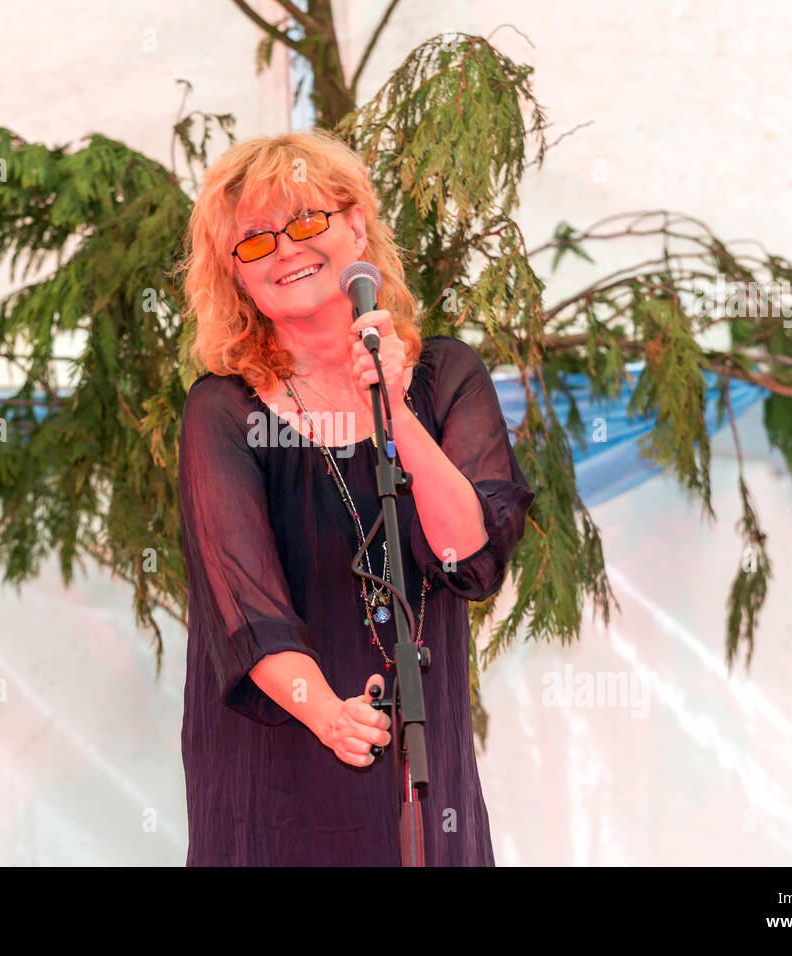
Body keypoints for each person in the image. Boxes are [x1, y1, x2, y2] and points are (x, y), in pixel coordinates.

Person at [172, 128, 536, 866]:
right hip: (279, 771)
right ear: (235, 275)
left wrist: (395, 410)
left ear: (357, 224)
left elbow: (471, 559)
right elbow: (243, 607)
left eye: (307, 221)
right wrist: (329, 716)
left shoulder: (447, 378)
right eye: (254, 241)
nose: (286, 249)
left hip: (421, 774)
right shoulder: (222, 410)